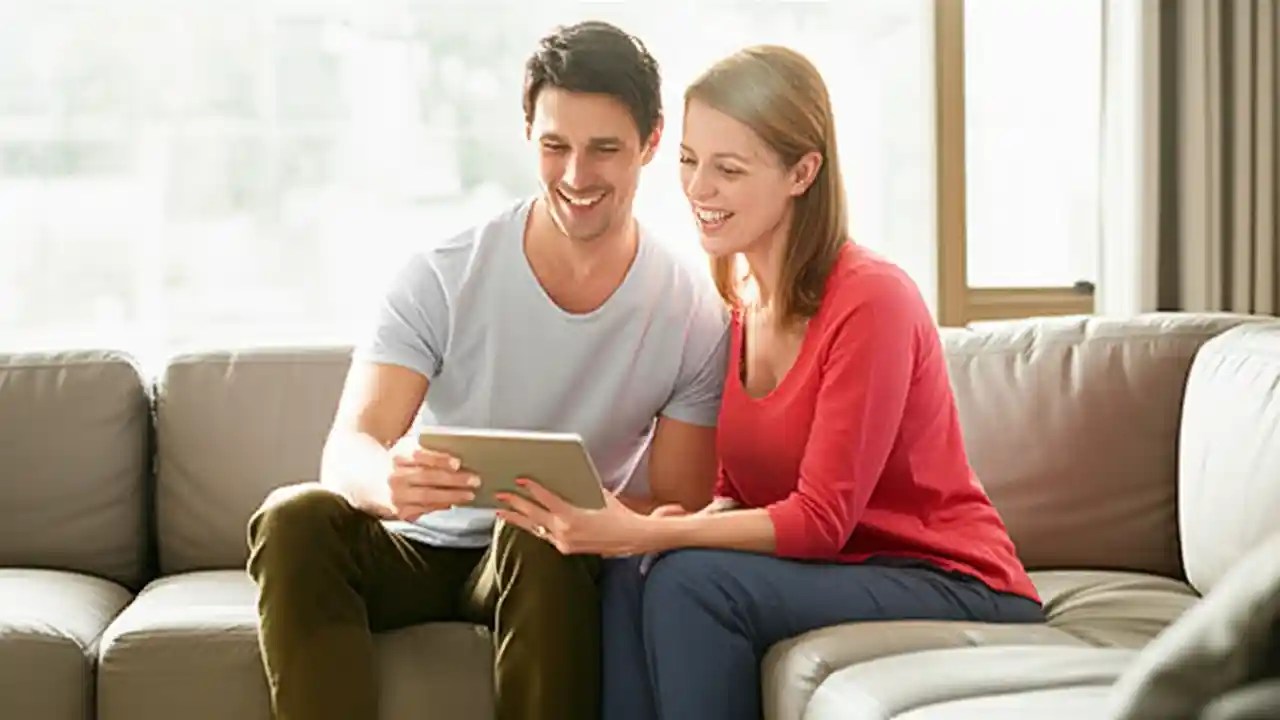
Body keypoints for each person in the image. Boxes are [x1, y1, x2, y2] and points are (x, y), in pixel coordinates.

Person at [494, 45, 1046, 720]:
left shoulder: (873, 300)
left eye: (728, 169)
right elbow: (739, 492)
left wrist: (654, 534)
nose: (698, 190)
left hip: (950, 579)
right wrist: (663, 521)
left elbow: (820, 521)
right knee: (631, 575)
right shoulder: (735, 298)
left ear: (802, 172)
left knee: (687, 582)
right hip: (846, 570)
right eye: (691, 161)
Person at [244, 21, 729, 720]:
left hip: (545, 562)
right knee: (293, 518)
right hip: (414, 549)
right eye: (555, 146)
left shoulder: (691, 314)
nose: (575, 176)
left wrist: (584, 515)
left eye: (604, 150)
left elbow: (674, 502)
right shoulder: (445, 274)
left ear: (652, 143)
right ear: (527, 132)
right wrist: (386, 484)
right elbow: (348, 448)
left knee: (535, 532)